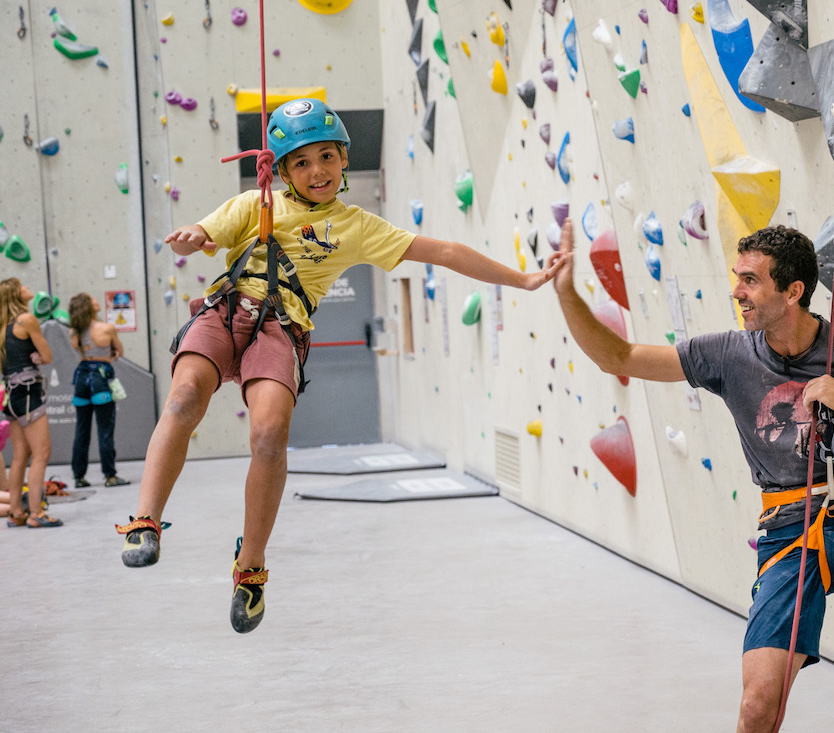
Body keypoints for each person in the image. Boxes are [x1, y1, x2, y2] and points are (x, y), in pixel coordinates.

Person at [118, 98, 565, 634]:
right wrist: (193, 236)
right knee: (185, 397)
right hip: (226, 310)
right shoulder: (253, 204)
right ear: (280, 171)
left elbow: (444, 251)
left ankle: (250, 567)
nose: (317, 171)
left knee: (269, 433)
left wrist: (523, 279)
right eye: (301, 163)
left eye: (327, 156)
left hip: (281, 328)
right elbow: (206, 232)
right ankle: (145, 521)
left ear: (343, 160)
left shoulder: (355, 226)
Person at [551, 220, 834, 733]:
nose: (737, 291)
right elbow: (620, 358)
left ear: (792, 291)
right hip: (788, 529)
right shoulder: (727, 354)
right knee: (758, 708)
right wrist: (567, 295)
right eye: (737, 277)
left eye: (750, 280)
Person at [1, 277, 62, 528]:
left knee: (20, 456)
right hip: (28, 393)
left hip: (11, 395)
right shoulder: (26, 320)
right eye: (23, 286)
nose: (28, 287)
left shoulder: (2, 326)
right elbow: (47, 355)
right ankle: (36, 513)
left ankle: (16, 512)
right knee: (41, 454)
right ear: (16, 294)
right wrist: (36, 357)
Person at [68, 293, 131, 489]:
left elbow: (82, 352)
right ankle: (110, 476)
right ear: (88, 306)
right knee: (105, 430)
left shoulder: (74, 332)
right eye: (93, 299)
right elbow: (119, 350)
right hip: (100, 379)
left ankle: (79, 477)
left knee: (81, 430)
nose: (96, 301)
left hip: (81, 379)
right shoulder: (107, 328)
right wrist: (111, 353)